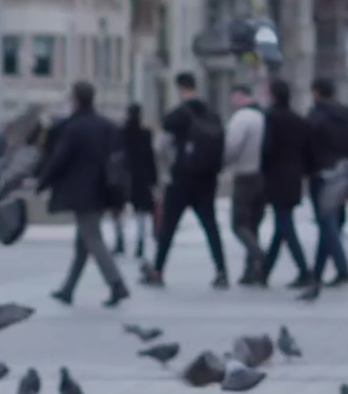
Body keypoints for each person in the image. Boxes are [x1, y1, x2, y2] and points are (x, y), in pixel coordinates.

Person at [36, 81, 130, 308]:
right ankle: (68, 289)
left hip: (83, 192)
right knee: (84, 242)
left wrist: (42, 183)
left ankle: (117, 283)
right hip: (104, 190)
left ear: (75, 100)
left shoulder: (73, 128)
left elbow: (60, 160)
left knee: (92, 238)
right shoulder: (107, 125)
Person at [142, 72, 230, 289]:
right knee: (211, 226)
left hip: (181, 178)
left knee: (168, 226)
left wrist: (170, 168)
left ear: (179, 88)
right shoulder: (212, 113)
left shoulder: (177, 115)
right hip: (207, 179)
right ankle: (221, 271)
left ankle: (158, 270)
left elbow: (161, 146)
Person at [300, 77, 348, 300]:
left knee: (327, 223)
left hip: (322, 174)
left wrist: (307, 170)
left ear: (316, 93)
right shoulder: (347, 116)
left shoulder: (316, 117)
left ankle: (342, 269)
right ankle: (318, 271)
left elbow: (308, 148)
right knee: (333, 222)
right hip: (344, 172)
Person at [259, 79, 313, 287]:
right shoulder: (299, 121)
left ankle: (304, 270)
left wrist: (263, 171)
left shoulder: (271, 118)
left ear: (273, 96)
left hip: (276, 176)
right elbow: (308, 151)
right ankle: (264, 271)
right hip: (294, 176)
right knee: (282, 225)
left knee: (285, 225)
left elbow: (267, 149)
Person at [223, 84, 268, 285]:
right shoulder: (264, 117)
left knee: (239, 224)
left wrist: (221, 163)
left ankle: (259, 255)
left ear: (240, 96)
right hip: (264, 177)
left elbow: (231, 147)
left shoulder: (242, 118)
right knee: (254, 225)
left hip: (245, 175)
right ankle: (251, 271)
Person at [114, 104, 158, 259]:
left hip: (123, 177)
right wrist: (154, 181)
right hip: (141, 177)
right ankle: (140, 244)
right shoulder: (145, 134)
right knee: (140, 213)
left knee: (119, 211)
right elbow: (150, 158)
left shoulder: (120, 133)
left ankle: (120, 241)